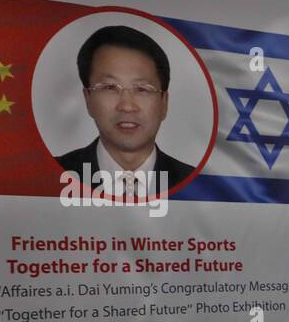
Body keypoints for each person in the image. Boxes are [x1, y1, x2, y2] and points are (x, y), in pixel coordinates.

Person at [57, 24, 196, 196]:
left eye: (142, 89)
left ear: (164, 103)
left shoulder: (198, 184)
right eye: (109, 87)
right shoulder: (51, 175)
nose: (127, 106)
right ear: (88, 100)